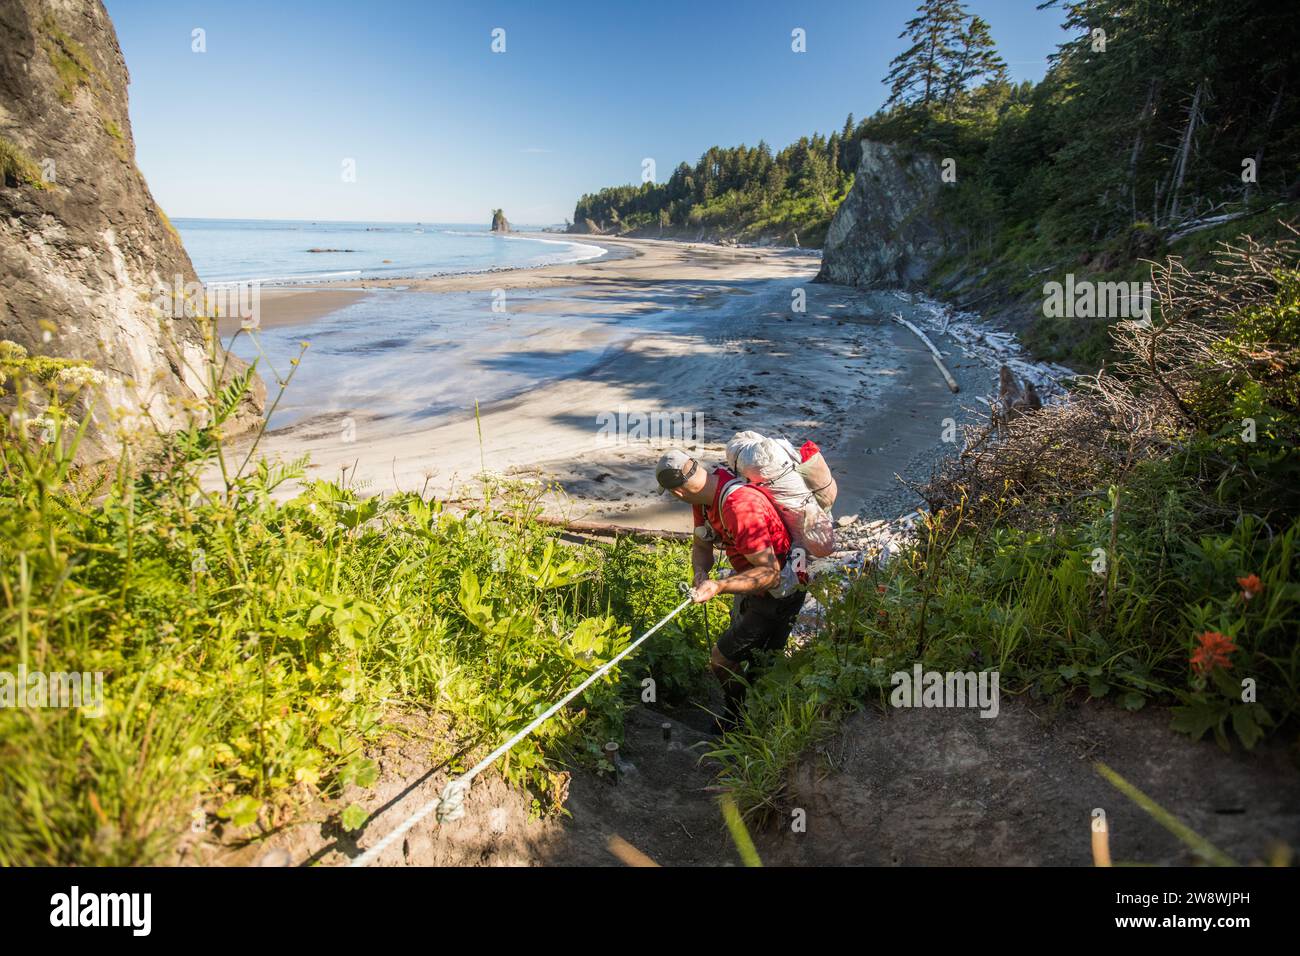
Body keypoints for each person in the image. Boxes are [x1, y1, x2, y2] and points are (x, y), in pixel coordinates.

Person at [654, 448, 807, 733]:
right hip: (752, 584)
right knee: (755, 657)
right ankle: (755, 713)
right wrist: (701, 573)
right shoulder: (704, 495)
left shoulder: (738, 507)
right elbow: (702, 546)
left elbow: (770, 574)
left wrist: (719, 586)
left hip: (780, 592)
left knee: (722, 658)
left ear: (677, 493)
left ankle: (737, 720)